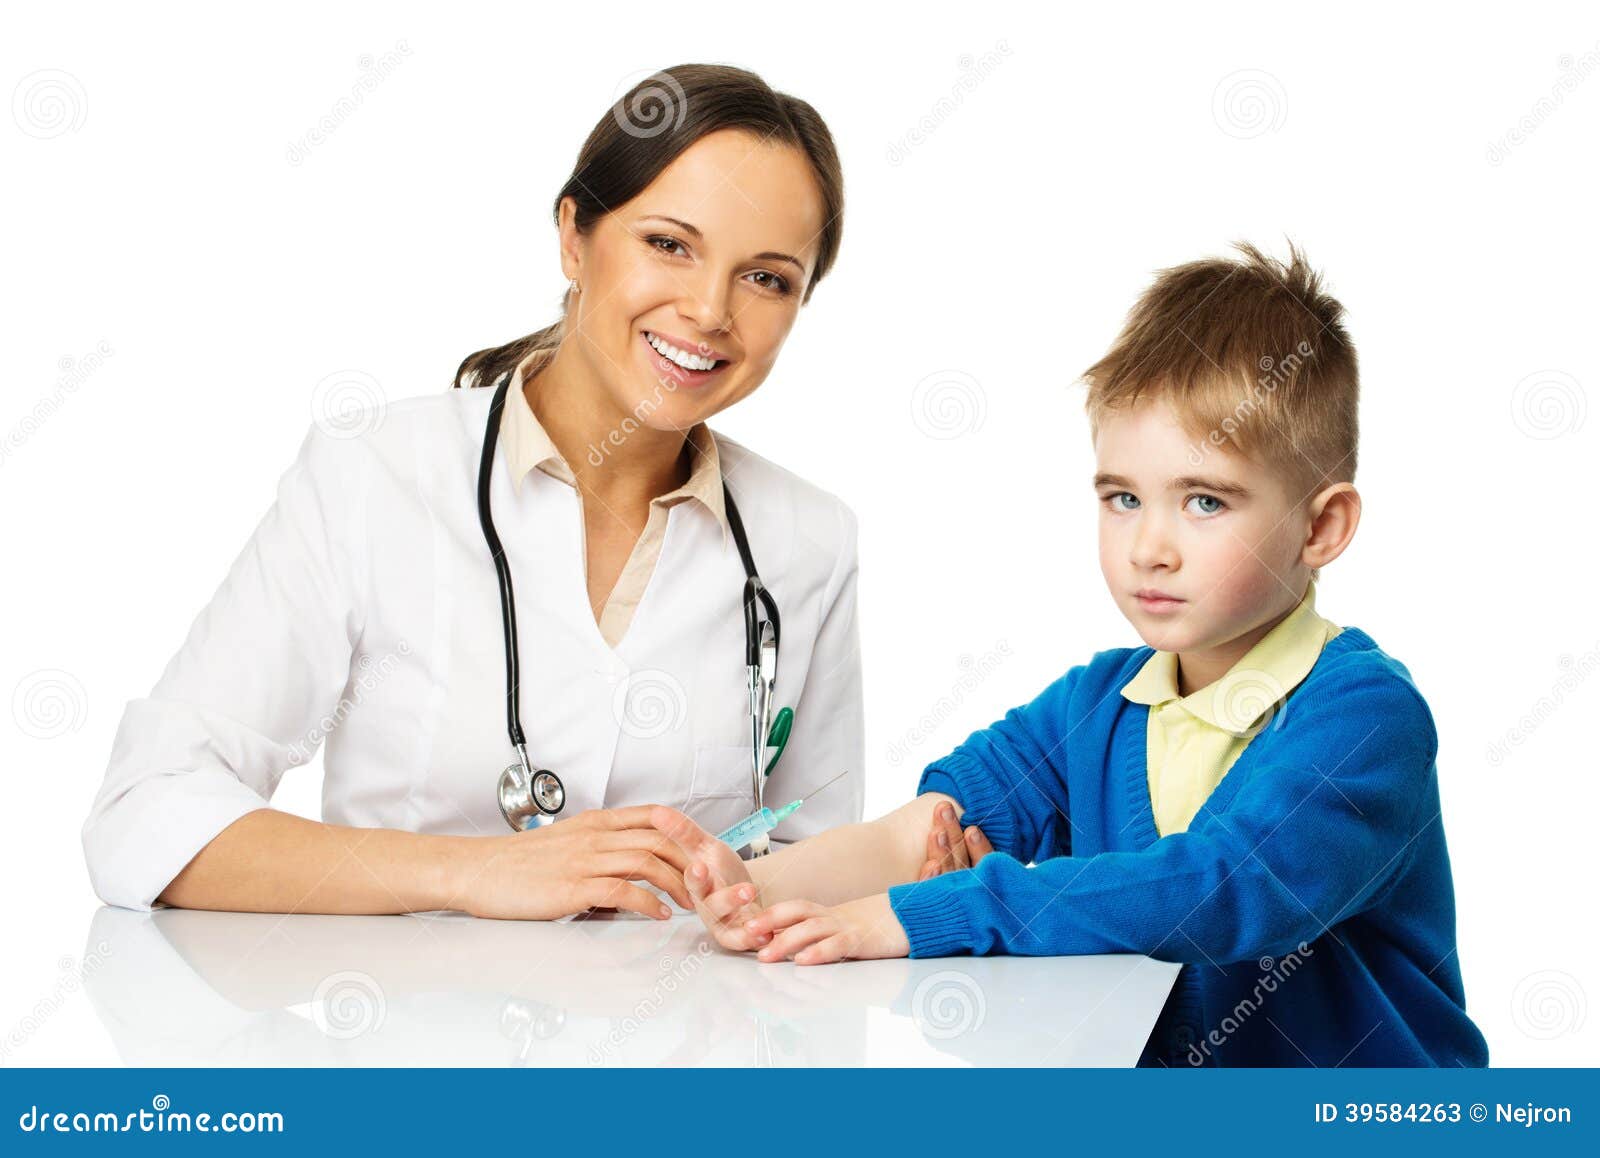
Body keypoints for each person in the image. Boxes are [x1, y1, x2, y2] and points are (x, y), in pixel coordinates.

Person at [654, 242, 1490, 1067]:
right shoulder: (1096, 706)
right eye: (1123, 498)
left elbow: (1224, 888)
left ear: (1322, 527)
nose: (1149, 548)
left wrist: (933, 913)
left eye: (1204, 502)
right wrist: (749, 890)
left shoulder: (1365, 719)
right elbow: (932, 829)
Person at [81, 63, 870, 922]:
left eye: (767, 278)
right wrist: (476, 872)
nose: (710, 310)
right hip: (404, 1011)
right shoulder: (374, 473)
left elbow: (815, 867)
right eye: (669, 244)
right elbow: (146, 813)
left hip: (679, 1013)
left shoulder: (808, 542)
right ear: (574, 237)